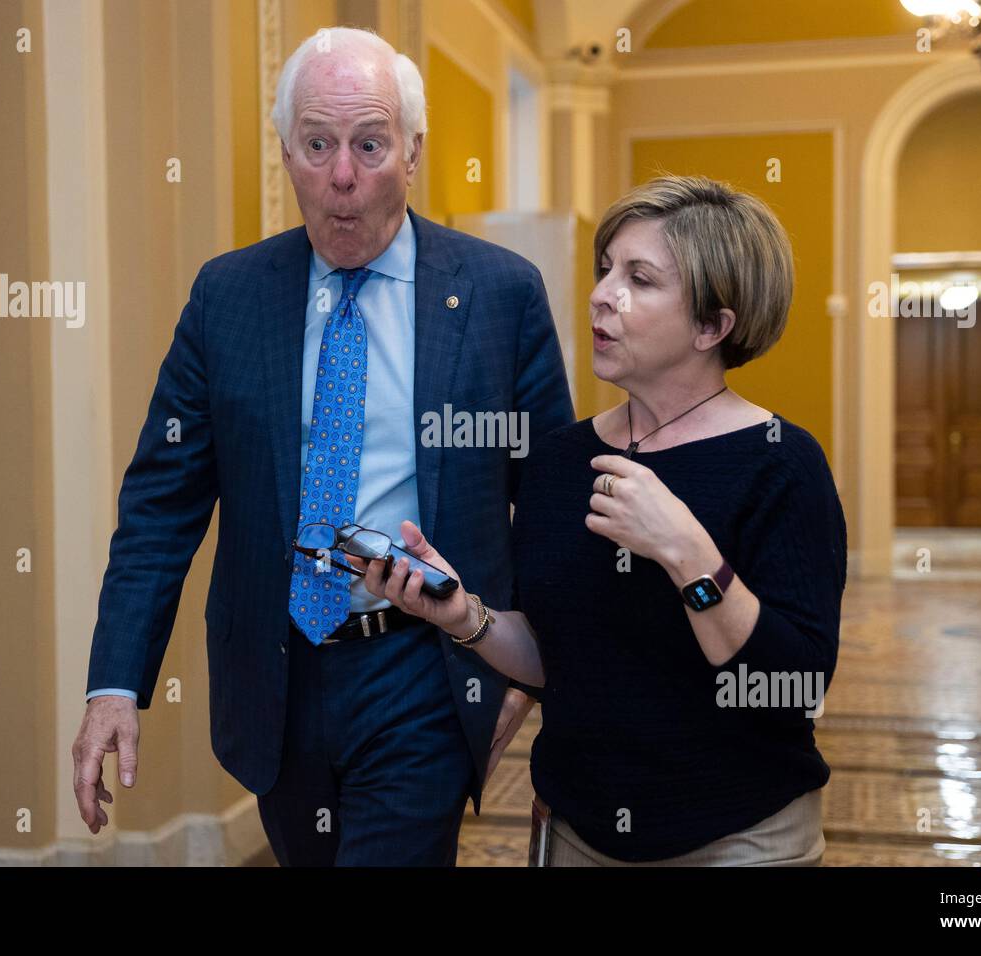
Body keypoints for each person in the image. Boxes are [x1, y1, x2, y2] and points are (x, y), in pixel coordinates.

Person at [71, 26, 575, 866]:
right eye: (317, 145)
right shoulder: (228, 297)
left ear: (413, 152)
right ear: (286, 153)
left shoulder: (497, 295)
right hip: (276, 678)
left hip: (422, 667)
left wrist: (523, 665)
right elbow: (162, 503)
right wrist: (114, 684)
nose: (342, 176)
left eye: (370, 145)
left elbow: (550, 506)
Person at [350, 175, 846, 866]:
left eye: (640, 279)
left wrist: (684, 551)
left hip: (737, 837)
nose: (602, 294)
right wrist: (465, 614)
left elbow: (792, 688)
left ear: (713, 325)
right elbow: (557, 662)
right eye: (606, 269)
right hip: (577, 832)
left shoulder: (781, 464)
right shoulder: (561, 460)